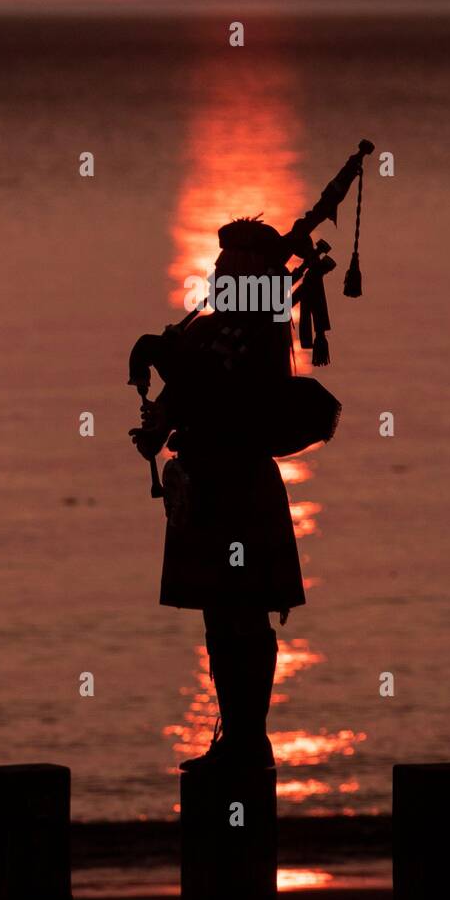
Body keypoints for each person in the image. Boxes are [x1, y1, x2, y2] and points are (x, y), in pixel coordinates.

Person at [131, 218, 305, 772]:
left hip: (240, 490)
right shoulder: (209, 331)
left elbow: (224, 392)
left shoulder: (259, 336)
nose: (218, 273)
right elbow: (187, 395)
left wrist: (170, 356)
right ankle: (234, 740)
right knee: (217, 615)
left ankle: (250, 742)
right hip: (204, 488)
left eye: (230, 267)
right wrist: (157, 429)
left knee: (244, 614)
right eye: (218, 265)